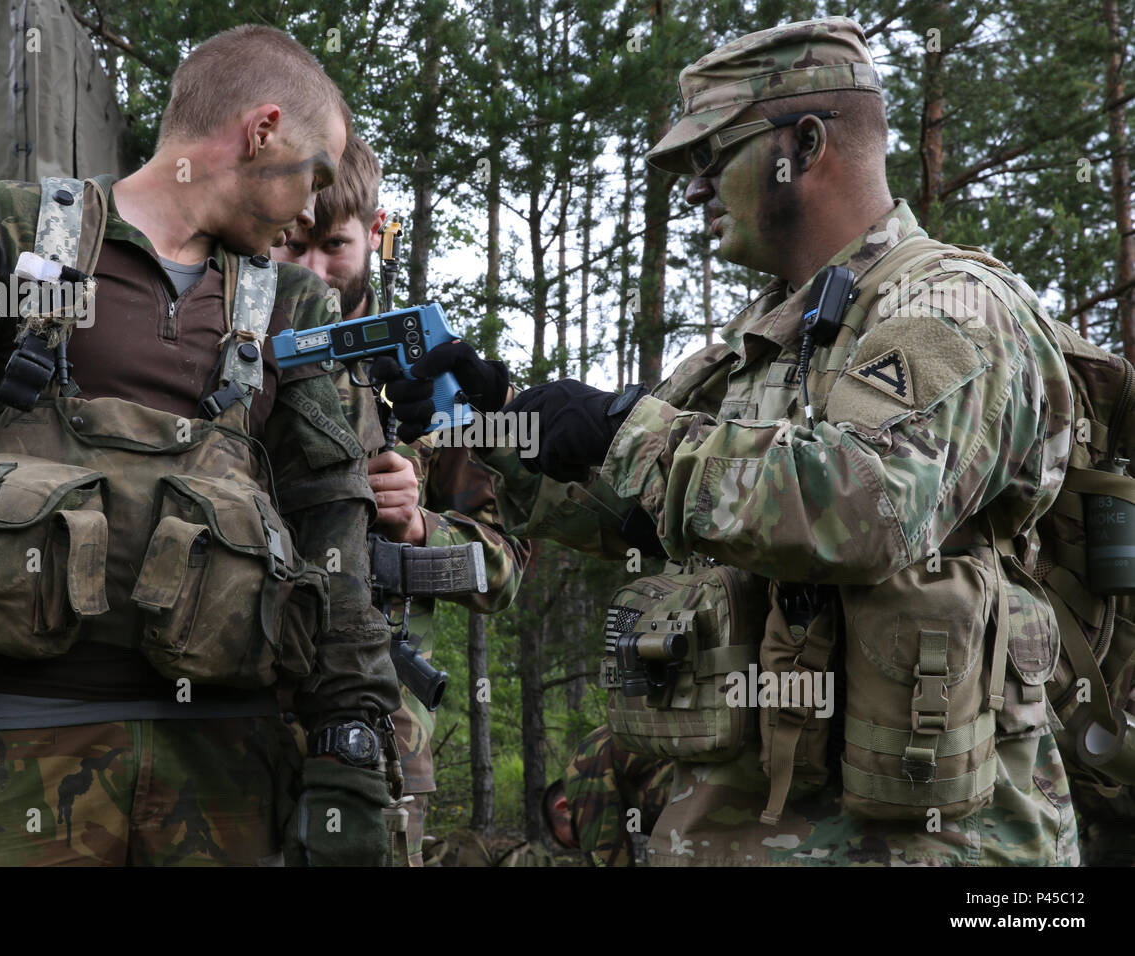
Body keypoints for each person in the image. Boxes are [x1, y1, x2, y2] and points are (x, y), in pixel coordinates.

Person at [385, 16, 1079, 865]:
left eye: (714, 156)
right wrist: (501, 422)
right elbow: (636, 508)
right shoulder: (762, 338)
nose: (693, 189)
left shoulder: (951, 308)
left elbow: (869, 505)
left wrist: (620, 428)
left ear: (809, 142)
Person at [0, 24, 401, 867]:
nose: (314, 209)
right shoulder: (4, 235)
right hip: (0, 764)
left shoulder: (293, 307)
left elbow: (333, 529)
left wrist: (348, 747)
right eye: (315, 172)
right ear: (262, 131)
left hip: (227, 775)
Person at [270, 135, 529, 864]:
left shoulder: (431, 373)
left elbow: (505, 569)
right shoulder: (230, 352)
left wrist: (419, 531)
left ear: (376, 234)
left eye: (334, 246)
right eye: (293, 245)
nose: (315, 272)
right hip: (230, 716)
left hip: (380, 735)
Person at [546, 724, 672, 867]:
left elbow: (607, 857)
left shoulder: (581, 775)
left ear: (563, 806)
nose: (583, 844)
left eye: (576, 836)